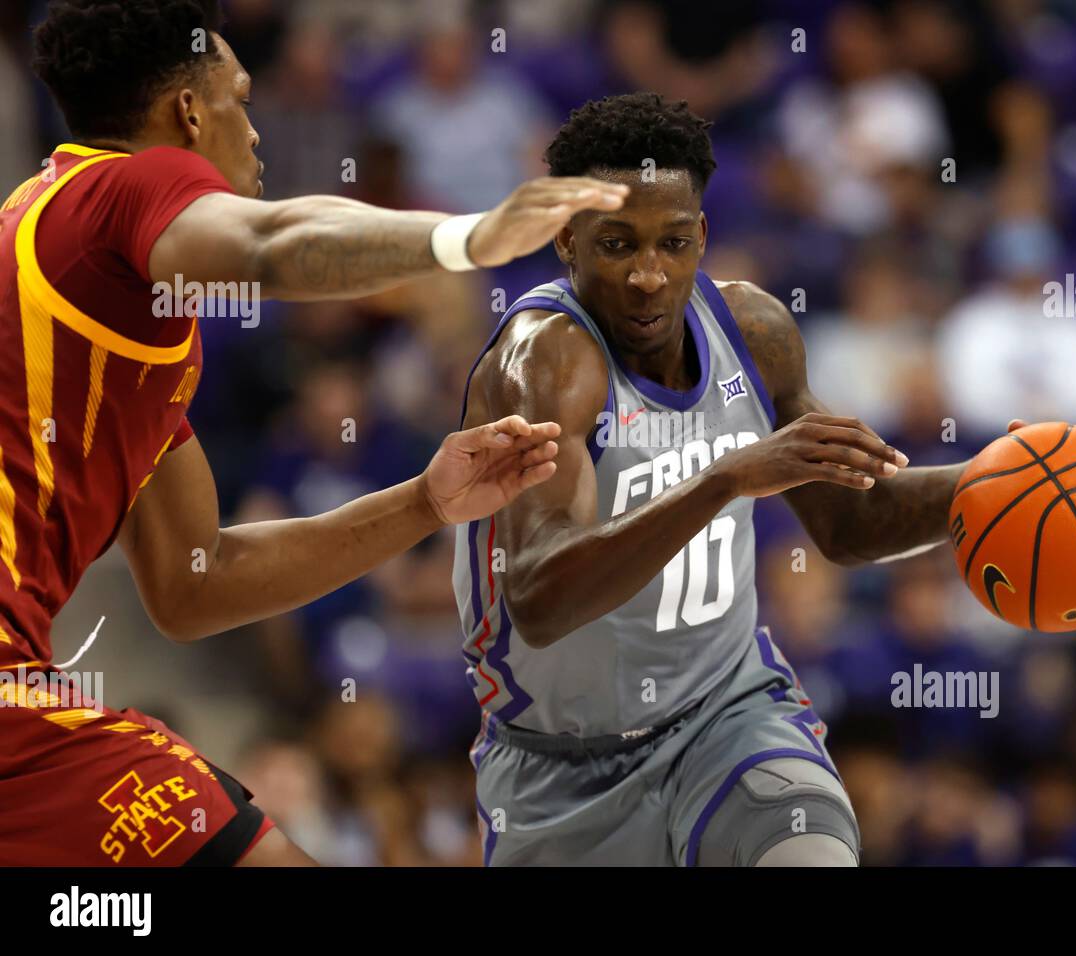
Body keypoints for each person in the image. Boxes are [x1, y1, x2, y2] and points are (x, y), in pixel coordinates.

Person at [455, 92, 1076, 866]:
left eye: (674, 242)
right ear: (567, 239)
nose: (650, 277)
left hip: (725, 716)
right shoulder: (547, 359)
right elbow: (542, 597)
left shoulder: (753, 331)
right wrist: (724, 480)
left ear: (703, 236)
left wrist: (1024, 478)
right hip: (560, 767)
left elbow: (850, 524)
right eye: (618, 245)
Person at [0, 0, 627, 867]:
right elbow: (270, 242)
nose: (254, 134)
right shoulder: (114, 186)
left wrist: (423, 503)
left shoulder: (93, 315)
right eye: (241, 100)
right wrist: (463, 237)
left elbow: (198, 585)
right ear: (189, 112)